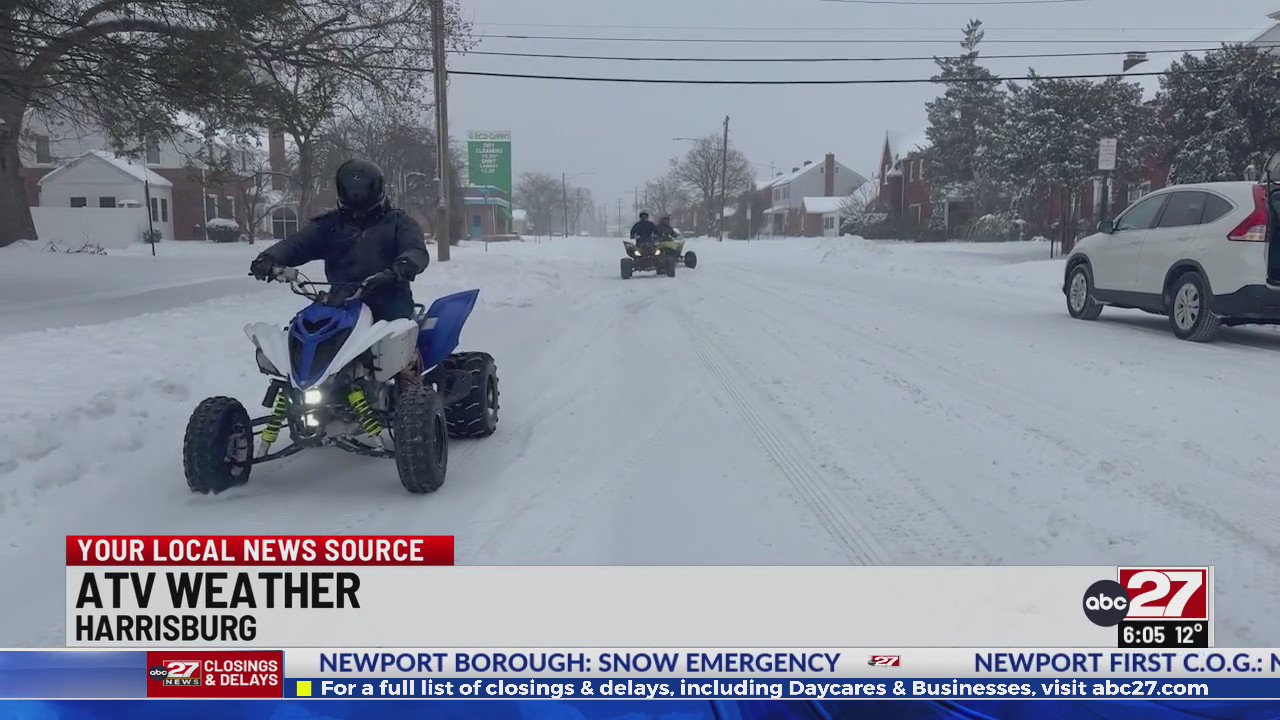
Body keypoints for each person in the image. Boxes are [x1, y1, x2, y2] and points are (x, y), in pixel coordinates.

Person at [249, 159, 431, 385]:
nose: (358, 199)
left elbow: (415, 249)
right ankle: (297, 390)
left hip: (389, 299)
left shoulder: (398, 222)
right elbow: (298, 244)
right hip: (342, 302)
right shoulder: (329, 226)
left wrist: (404, 265)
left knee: (402, 349)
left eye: (363, 192)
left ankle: (414, 403)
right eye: (352, 193)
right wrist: (270, 258)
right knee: (304, 336)